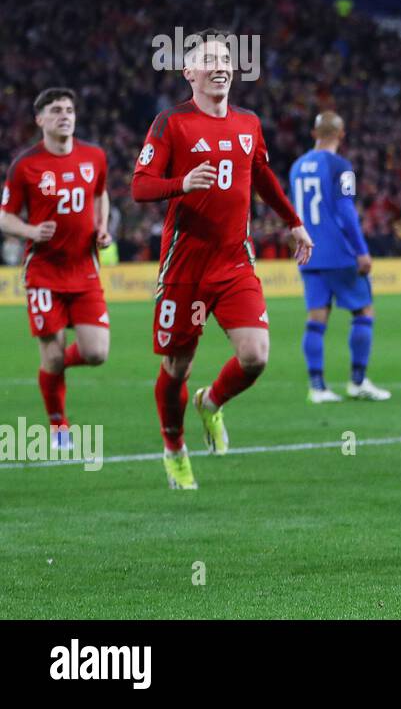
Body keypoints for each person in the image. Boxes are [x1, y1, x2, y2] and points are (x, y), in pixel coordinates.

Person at [132, 31, 312, 489]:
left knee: (255, 356)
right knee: (177, 367)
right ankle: (174, 448)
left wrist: (293, 222)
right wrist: (181, 184)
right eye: (208, 59)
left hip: (234, 262)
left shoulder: (248, 122)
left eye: (226, 58)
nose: (220, 65)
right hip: (184, 267)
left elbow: (262, 174)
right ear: (188, 73)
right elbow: (140, 187)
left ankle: (210, 402)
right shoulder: (171, 123)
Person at [0, 88, 111, 451]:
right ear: (40, 119)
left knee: (96, 353)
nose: (65, 115)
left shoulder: (94, 156)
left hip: (84, 269)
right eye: (56, 110)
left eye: (69, 109)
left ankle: (52, 369)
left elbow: (100, 193)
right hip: (44, 272)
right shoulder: (25, 165)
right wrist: (31, 231)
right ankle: (58, 424)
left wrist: (103, 226)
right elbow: (5, 218)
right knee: (51, 353)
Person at [289, 111, 390, 403]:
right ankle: (357, 382)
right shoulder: (340, 166)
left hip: (308, 252)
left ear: (314, 133)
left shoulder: (297, 167)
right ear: (341, 135)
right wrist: (361, 251)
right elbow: (346, 212)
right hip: (338, 252)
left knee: (316, 318)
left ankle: (317, 387)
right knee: (364, 312)